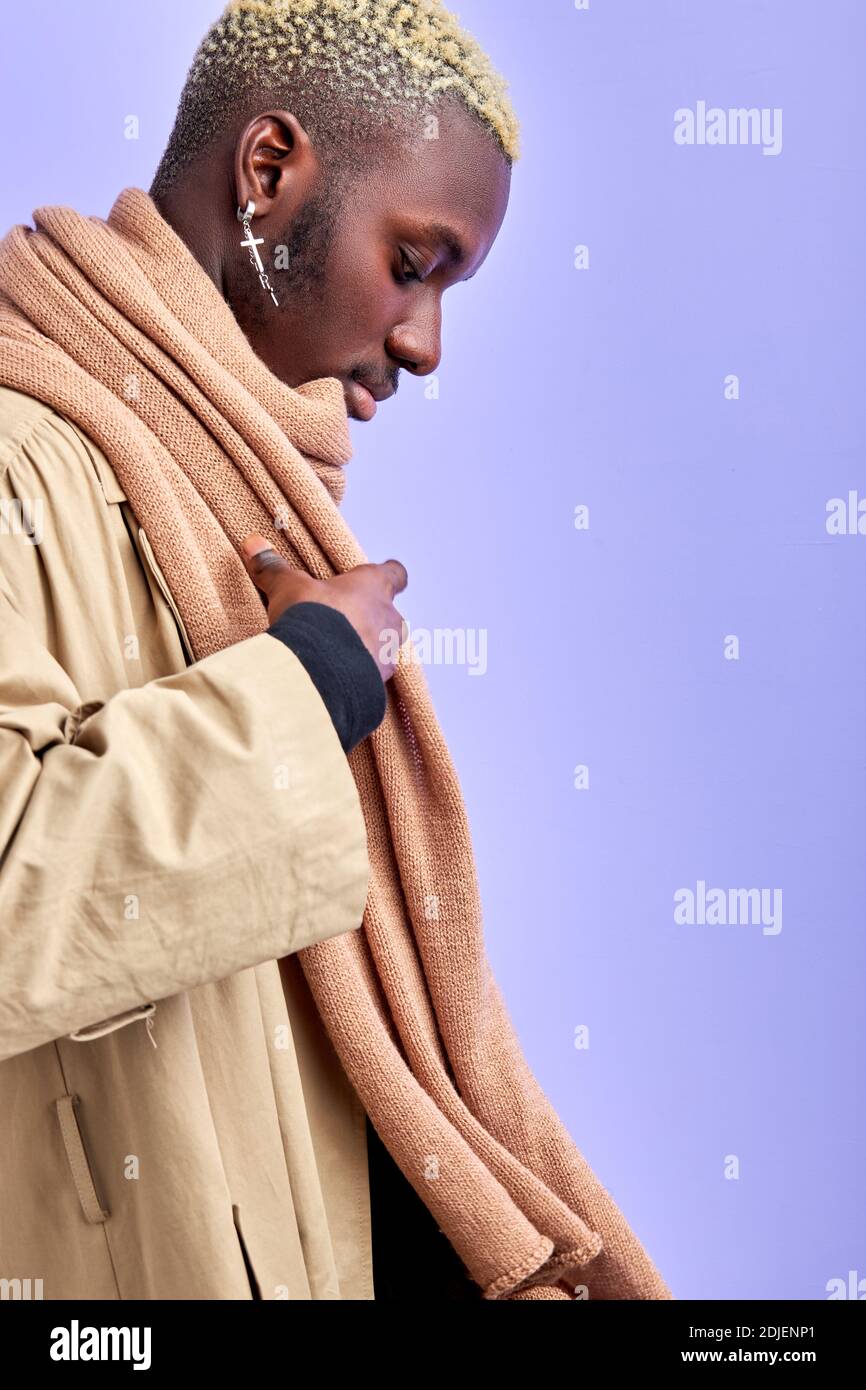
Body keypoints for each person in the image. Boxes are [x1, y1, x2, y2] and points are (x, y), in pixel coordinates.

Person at [0, 0, 672, 1302]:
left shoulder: (240, 496)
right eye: (414, 263)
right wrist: (301, 688)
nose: (424, 343)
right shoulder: (22, 457)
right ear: (268, 173)